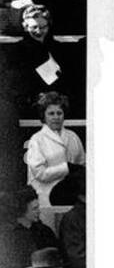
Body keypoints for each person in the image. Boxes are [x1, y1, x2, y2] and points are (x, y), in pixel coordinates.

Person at [24, 92, 84, 228]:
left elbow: (82, 166)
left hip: (71, 200)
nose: (56, 117)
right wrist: (66, 168)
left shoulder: (73, 137)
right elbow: (39, 173)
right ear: (44, 116)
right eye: (51, 113)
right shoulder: (37, 139)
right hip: (46, 199)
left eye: (59, 113)